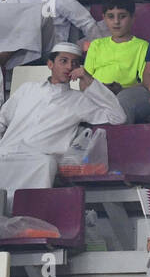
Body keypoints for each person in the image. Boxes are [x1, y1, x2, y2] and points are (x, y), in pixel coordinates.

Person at [0, 41, 125, 194]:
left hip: (38, 161)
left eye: (74, 63)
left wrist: (89, 79)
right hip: (6, 153)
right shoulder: (27, 89)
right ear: (50, 64)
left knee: (46, 164)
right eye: (63, 61)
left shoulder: (79, 100)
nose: (69, 67)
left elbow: (118, 117)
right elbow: (2, 120)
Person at [83, 0, 148, 93]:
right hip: (95, 94)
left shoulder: (142, 46)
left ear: (133, 18)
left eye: (122, 16)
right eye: (111, 16)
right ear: (104, 18)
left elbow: (147, 82)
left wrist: (122, 90)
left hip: (125, 95)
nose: (116, 21)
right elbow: (84, 80)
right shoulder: (96, 45)